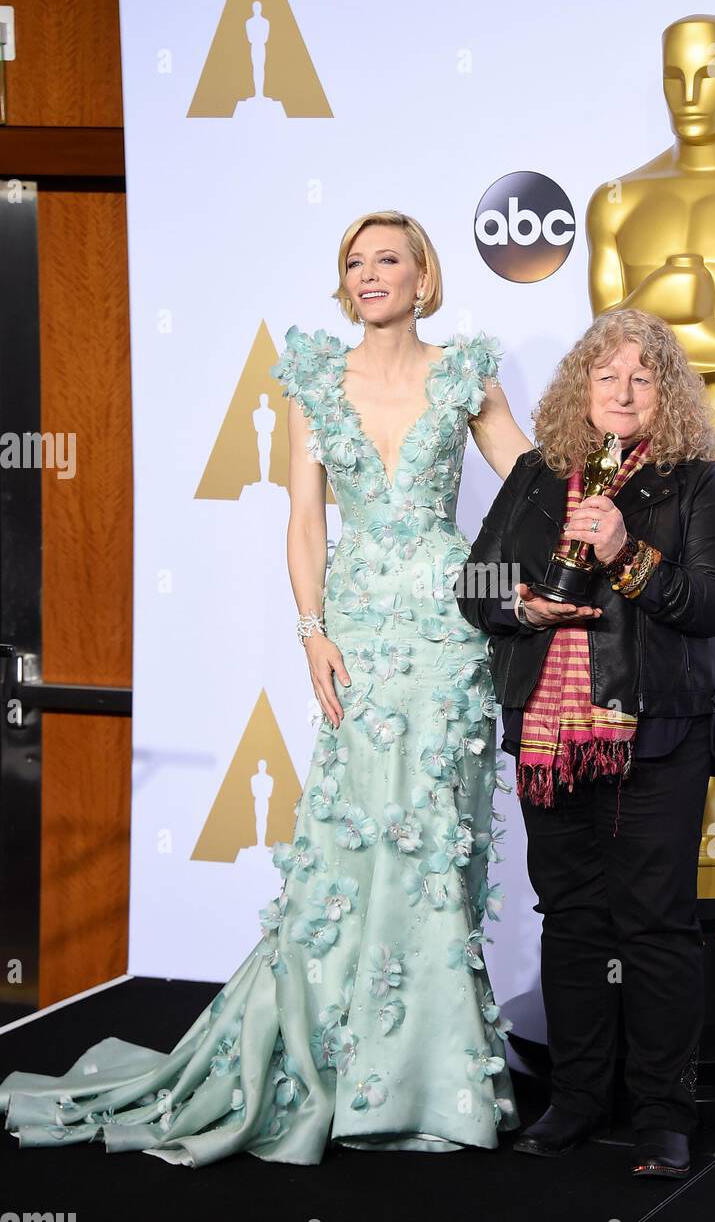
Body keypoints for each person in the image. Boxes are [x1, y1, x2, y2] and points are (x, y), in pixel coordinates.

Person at [0, 210, 534, 1166]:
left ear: (424, 277)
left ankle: (434, 1078)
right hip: (361, 638)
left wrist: (571, 549)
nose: (369, 275)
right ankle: (349, 1067)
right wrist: (313, 632)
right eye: (354, 262)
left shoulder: (465, 370)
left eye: (388, 260)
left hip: (453, 639)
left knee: (439, 844)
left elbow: (528, 482)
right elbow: (304, 523)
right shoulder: (315, 379)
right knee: (355, 845)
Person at [456, 308, 715, 1178]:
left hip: (658, 734)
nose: (622, 392)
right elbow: (477, 582)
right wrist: (523, 608)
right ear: (582, 386)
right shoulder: (541, 477)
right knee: (574, 920)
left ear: (668, 397)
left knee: (656, 926)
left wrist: (630, 557)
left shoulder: (694, 483)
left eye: (643, 379)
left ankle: (663, 1115)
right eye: (606, 375)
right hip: (549, 734)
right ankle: (578, 1100)